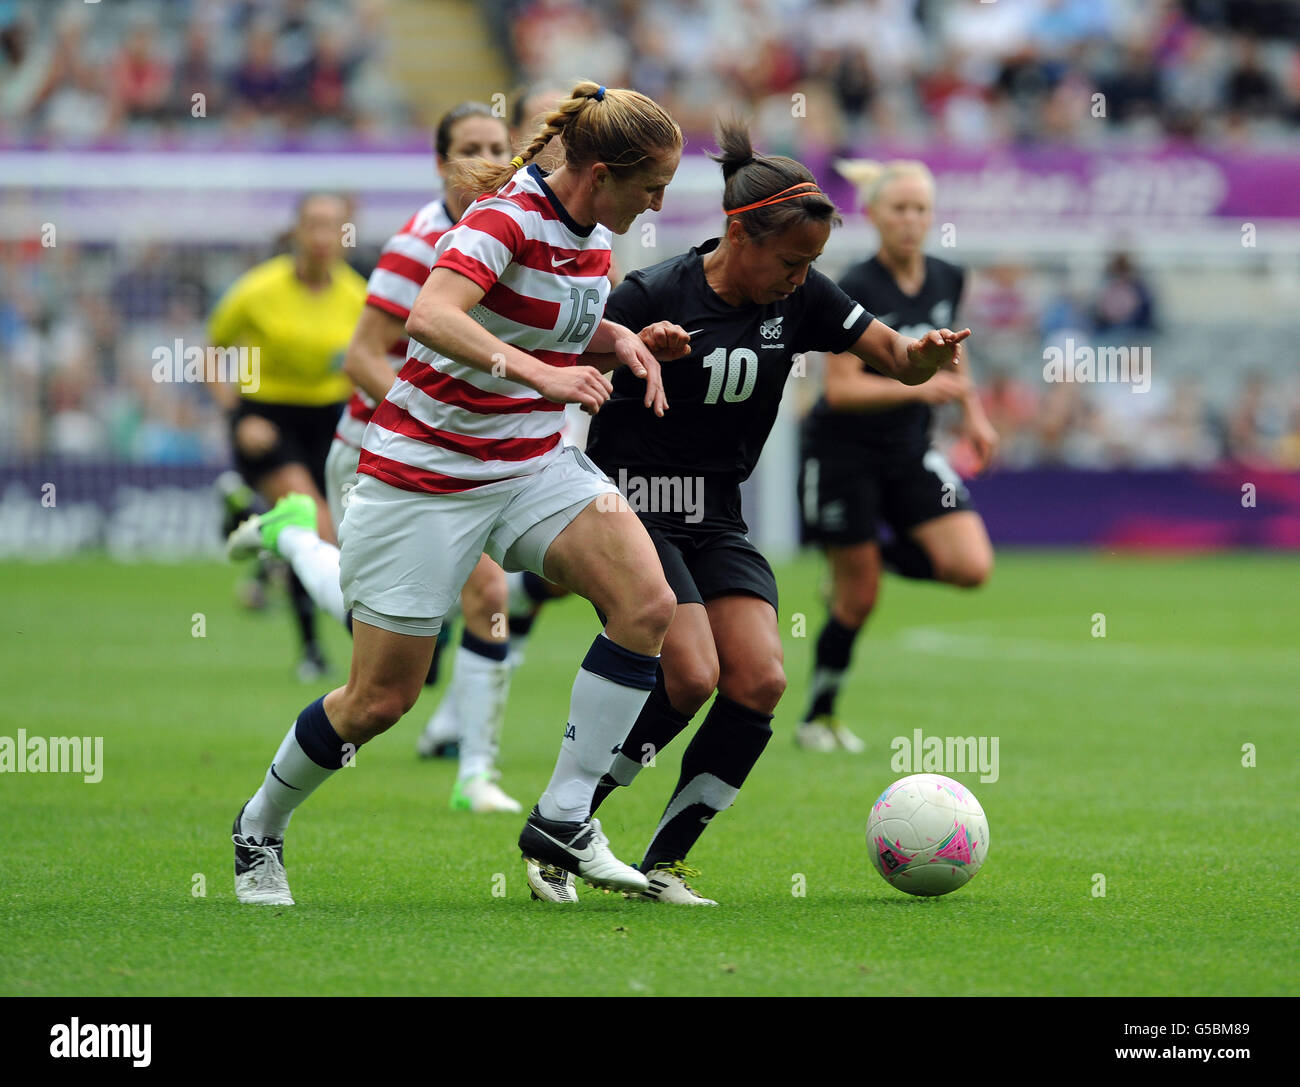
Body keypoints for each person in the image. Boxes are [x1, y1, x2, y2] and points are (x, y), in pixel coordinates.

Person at [230, 80, 686, 907]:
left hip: (528, 463)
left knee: (647, 604)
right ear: (596, 174)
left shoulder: (591, 228)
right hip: (425, 475)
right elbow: (434, 316)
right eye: (650, 186)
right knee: (380, 699)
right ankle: (258, 823)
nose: (658, 202)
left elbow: (558, 319)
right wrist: (544, 371)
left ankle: (563, 817)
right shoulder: (505, 216)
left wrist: (624, 337)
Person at [582, 122, 969, 905]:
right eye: (790, 262)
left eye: (811, 265)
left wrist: (922, 359)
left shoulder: (804, 297)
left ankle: (661, 864)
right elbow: (573, 363)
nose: (800, 279)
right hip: (636, 506)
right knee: (692, 674)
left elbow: (892, 354)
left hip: (717, 516)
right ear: (736, 233)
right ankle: (569, 824)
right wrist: (631, 347)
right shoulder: (652, 293)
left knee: (758, 679)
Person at [228, 102, 528, 813]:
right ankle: (293, 534)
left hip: (457, 455)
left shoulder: (513, 233)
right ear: (440, 162)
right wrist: (432, 420)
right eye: (470, 147)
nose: (488, 158)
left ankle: (476, 772)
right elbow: (363, 359)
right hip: (378, 448)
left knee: (489, 594)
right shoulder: (421, 241)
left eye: (498, 144)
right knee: (376, 635)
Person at [796, 159, 996, 753]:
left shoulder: (948, 277)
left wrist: (974, 414)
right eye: (899, 209)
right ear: (873, 215)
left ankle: (863, 559)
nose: (911, 221)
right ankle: (818, 718)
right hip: (843, 452)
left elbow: (954, 358)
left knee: (971, 567)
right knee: (859, 601)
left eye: (920, 209)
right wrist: (923, 386)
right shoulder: (853, 285)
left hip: (909, 449)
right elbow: (840, 389)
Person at [208, 191, 367, 679]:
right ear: (295, 232)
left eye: (332, 226)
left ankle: (252, 518)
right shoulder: (256, 290)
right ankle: (360, 635)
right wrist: (238, 418)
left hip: (331, 421)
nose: (321, 237)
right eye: (312, 225)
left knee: (315, 533)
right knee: (314, 520)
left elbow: (373, 363)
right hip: (268, 421)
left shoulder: (358, 295)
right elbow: (212, 352)